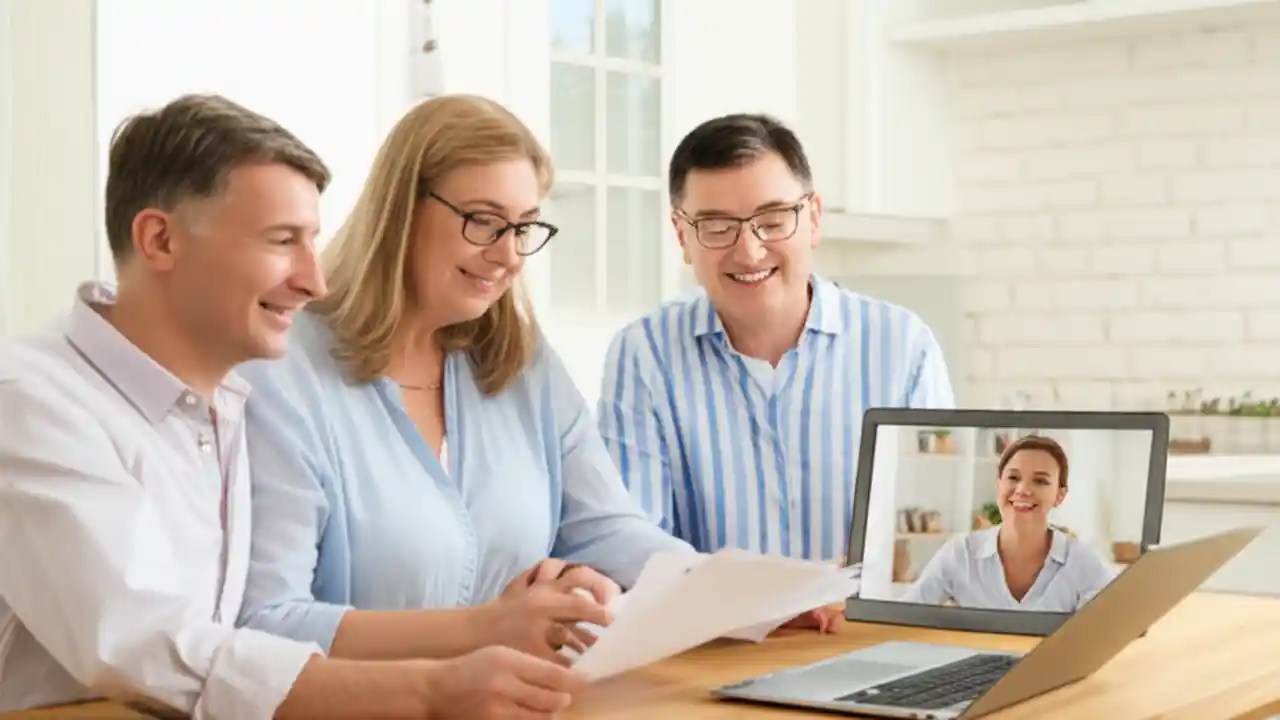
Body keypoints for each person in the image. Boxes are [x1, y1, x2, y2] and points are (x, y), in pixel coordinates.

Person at [0, 94, 583, 719]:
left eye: (312, 242)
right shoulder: (30, 400)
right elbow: (146, 645)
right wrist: (432, 689)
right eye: (282, 241)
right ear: (160, 239)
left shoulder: (226, 400)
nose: (315, 281)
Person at [234, 94, 697, 663]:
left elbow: (610, 531)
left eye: (524, 227)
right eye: (483, 221)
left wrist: (744, 596)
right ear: (403, 208)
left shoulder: (523, 364)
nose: (508, 255)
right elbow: (266, 624)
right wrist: (489, 629)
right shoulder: (281, 370)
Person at [597, 113, 955, 622]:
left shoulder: (902, 346)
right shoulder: (644, 355)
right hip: (710, 653)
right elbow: (629, 536)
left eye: (772, 220)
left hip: (868, 642)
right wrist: (754, 599)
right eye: (716, 226)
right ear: (682, 236)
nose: (749, 250)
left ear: (813, 218)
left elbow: (935, 534)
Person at [900, 434, 1114, 611]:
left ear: (1060, 495)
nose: (1022, 489)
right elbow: (903, 617)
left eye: (1040, 481)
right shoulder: (960, 554)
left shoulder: (1082, 561)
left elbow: (1114, 627)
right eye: (1013, 478)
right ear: (998, 485)